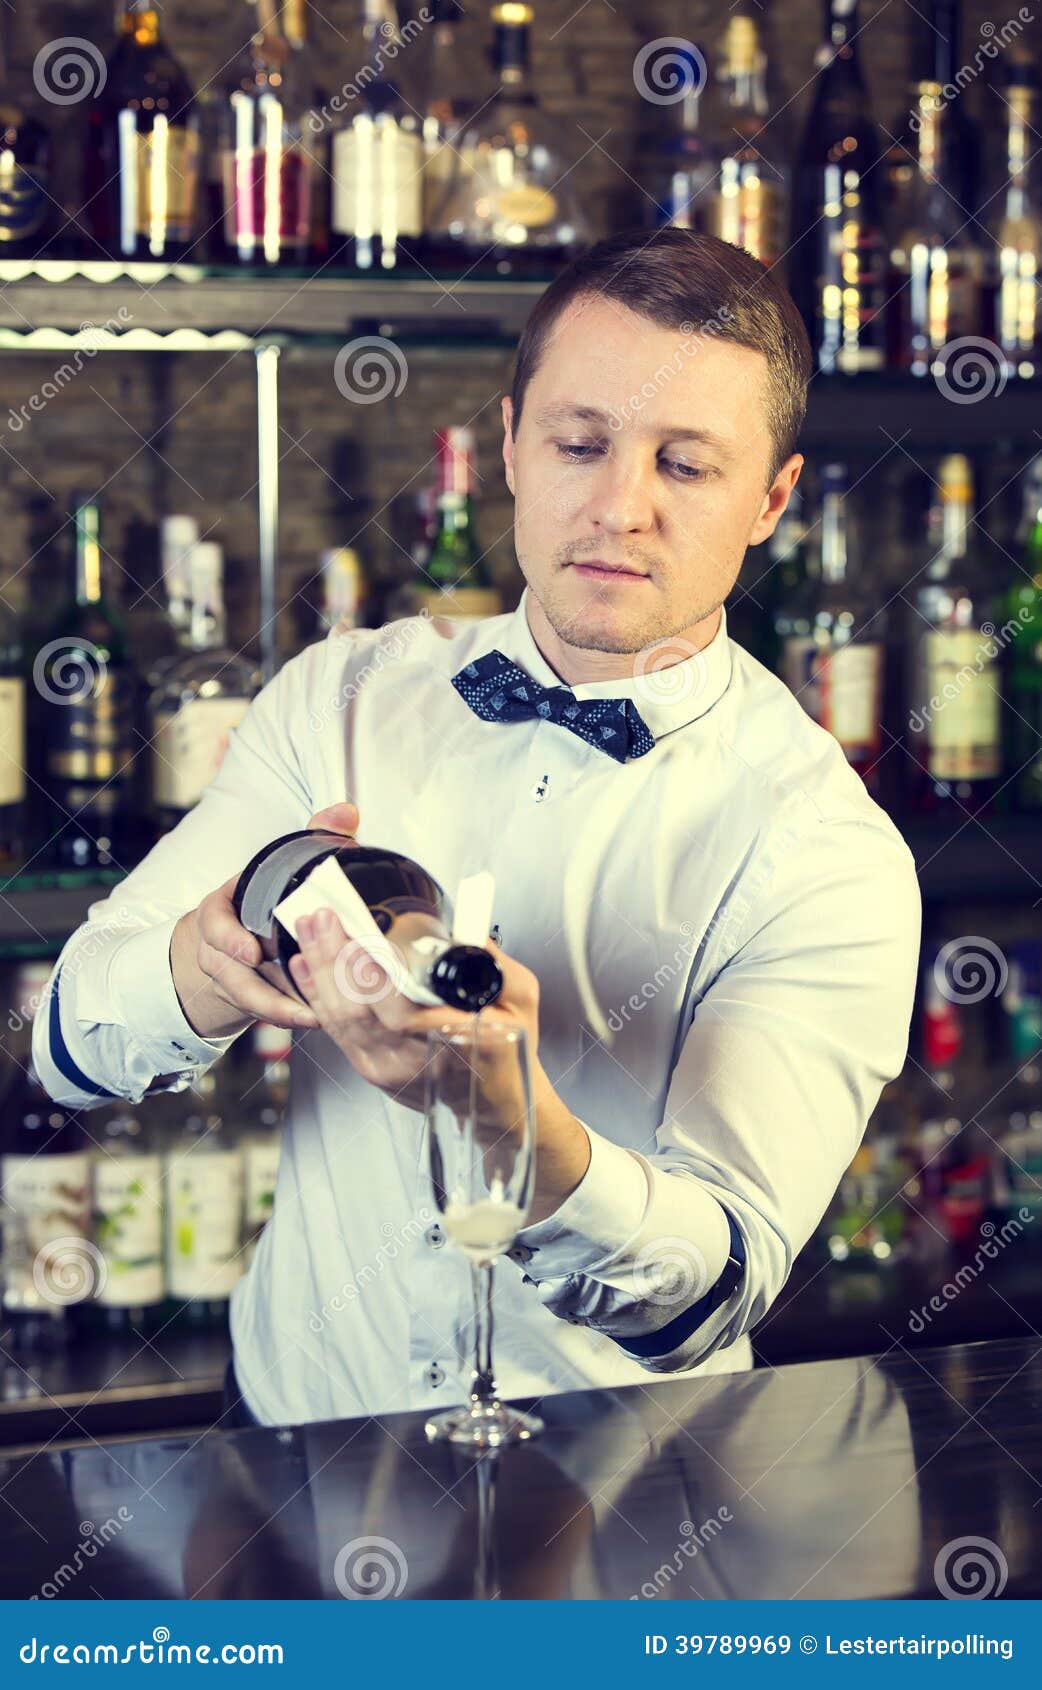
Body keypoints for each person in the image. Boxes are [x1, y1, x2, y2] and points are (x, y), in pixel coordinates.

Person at [35, 227, 921, 1428]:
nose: (620, 507)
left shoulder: (825, 849)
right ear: (509, 443)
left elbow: (712, 1286)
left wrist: (519, 1129)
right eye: (580, 442)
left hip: (624, 1503)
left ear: (771, 499)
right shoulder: (336, 700)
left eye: (686, 465)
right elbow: (69, 1041)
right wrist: (212, 963)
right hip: (297, 1458)